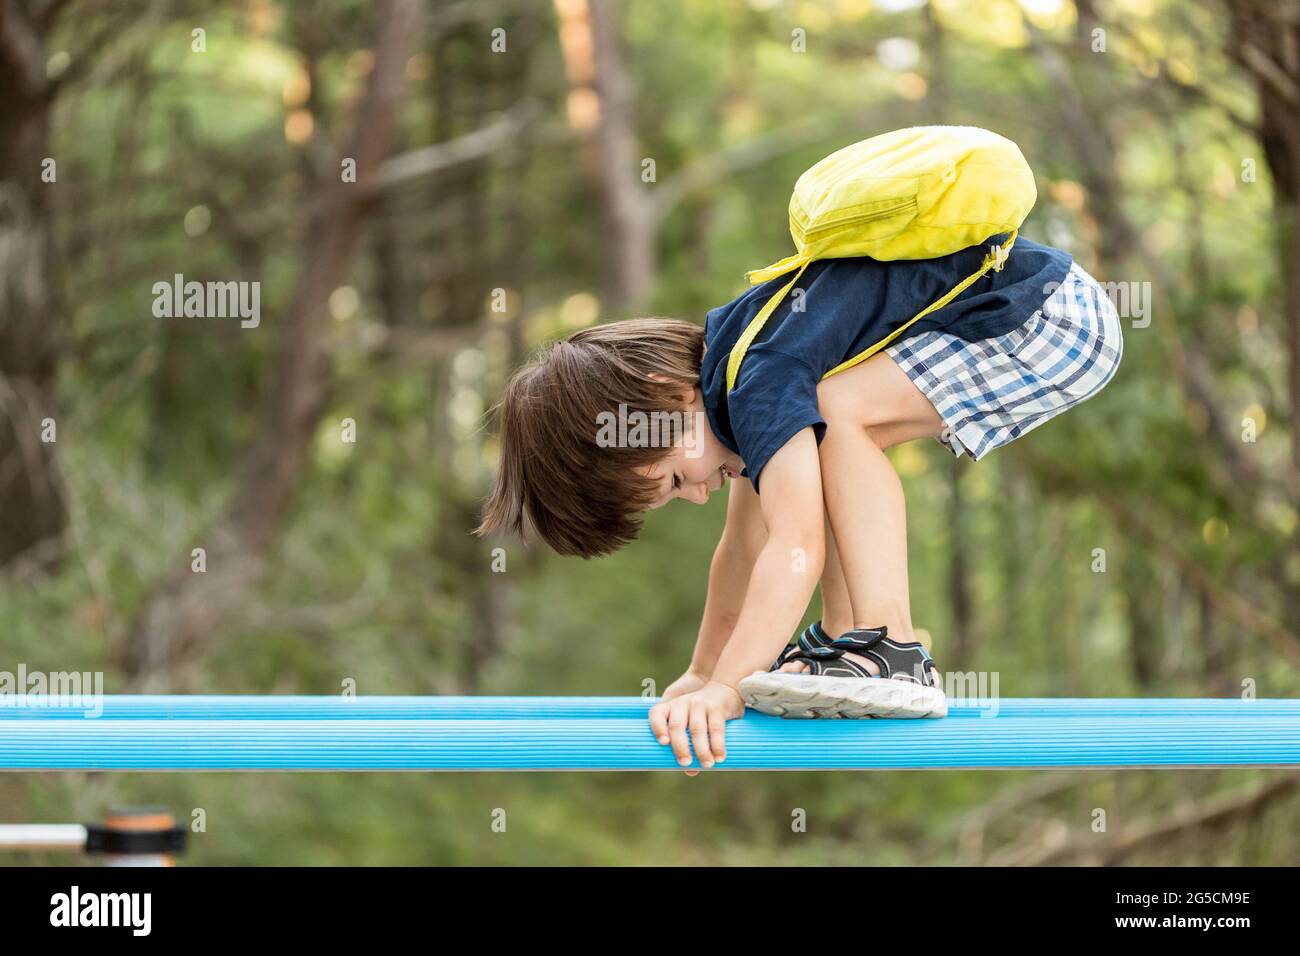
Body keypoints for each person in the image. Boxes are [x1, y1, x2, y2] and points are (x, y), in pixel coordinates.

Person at [476, 233, 1123, 770]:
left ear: (664, 394)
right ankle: (853, 643)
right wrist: (703, 674)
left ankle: (887, 646)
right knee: (836, 437)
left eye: (674, 480)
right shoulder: (736, 374)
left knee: (840, 411)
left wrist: (729, 688)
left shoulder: (758, 379)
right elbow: (741, 550)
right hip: (1037, 312)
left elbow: (794, 549)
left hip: (1046, 316)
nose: (698, 494)